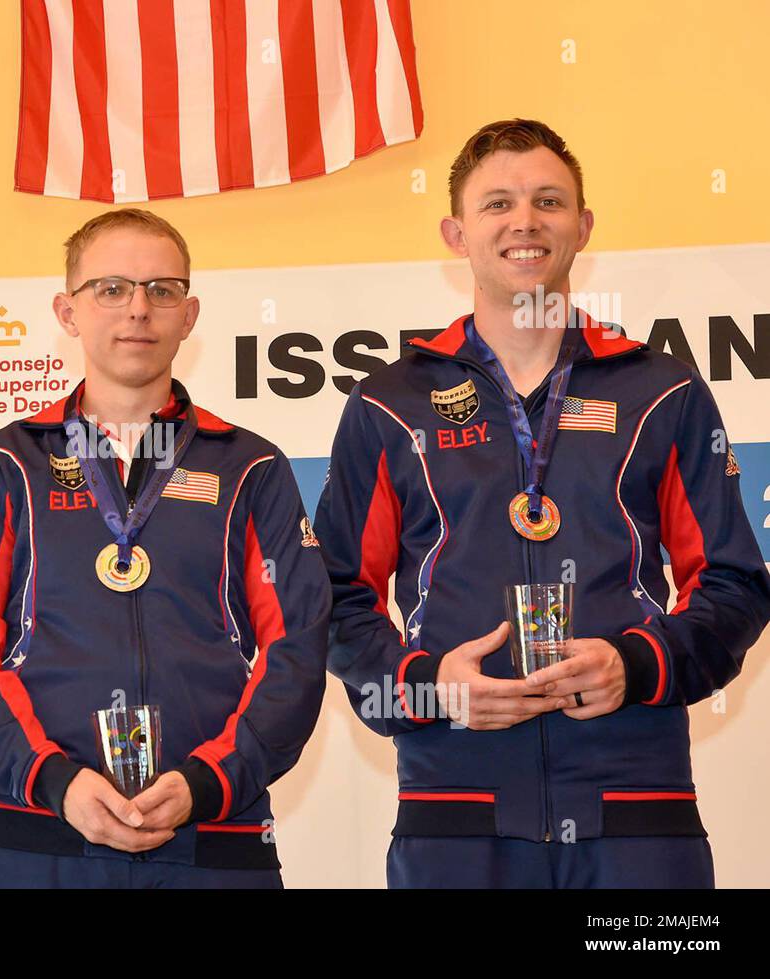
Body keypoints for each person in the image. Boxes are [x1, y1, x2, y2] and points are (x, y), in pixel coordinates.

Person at [315, 119, 770, 888]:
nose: (524, 221)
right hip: (454, 809)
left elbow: (732, 584)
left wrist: (638, 663)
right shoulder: (389, 405)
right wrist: (429, 686)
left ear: (582, 226)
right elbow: (334, 597)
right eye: (498, 204)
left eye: (548, 201)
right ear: (456, 231)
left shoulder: (663, 392)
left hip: (636, 805)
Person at [0, 208, 329, 888]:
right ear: (68, 310)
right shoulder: (5, 464)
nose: (138, 309)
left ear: (189, 312)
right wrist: (51, 779)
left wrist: (209, 780)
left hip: (213, 840)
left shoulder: (250, 467)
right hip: (40, 839)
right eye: (111, 289)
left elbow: (297, 646)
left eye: (161, 290)